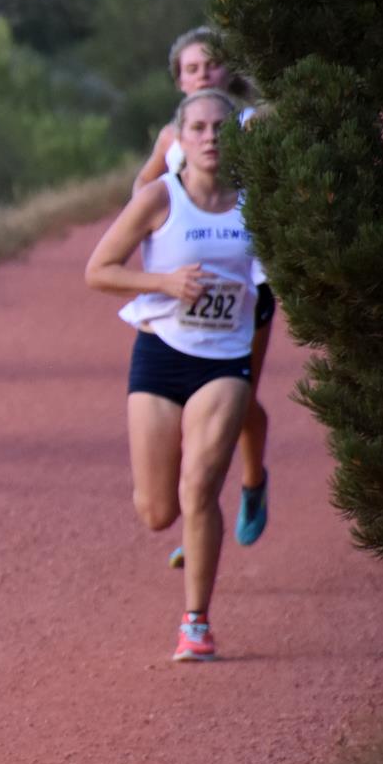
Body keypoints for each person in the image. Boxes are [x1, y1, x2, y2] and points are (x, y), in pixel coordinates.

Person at [86, 88, 257, 663]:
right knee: (158, 510)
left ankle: (196, 623)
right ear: (180, 141)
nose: (211, 137)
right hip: (160, 353)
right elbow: (99, 270)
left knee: (198, 487)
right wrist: (165, 284)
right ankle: (189, 534)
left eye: (221, 127)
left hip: (225, 360)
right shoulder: (161, 198)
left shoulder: (260, 203)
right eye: (199, 128)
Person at [134, 28, 272, 558]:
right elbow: (142, 189)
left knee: (238, 401)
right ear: (178, 80)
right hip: (181, 297)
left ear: (227, 72)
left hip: (246, 285)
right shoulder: (173, 137)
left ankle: (253, 479)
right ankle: (201, 513)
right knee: (192, 408)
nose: (201, 76)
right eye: (191, 70)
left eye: (211, 67)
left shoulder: (249, 126)